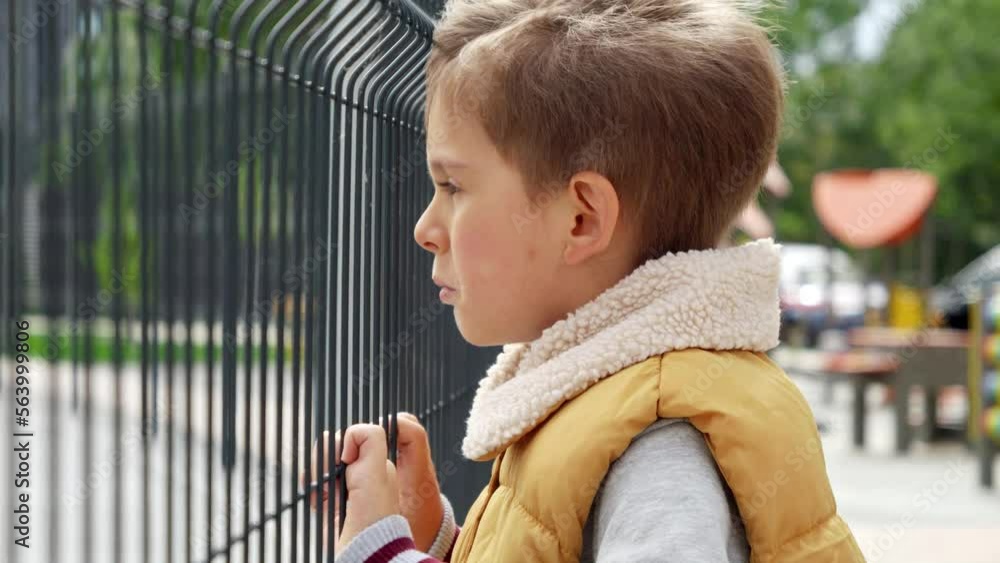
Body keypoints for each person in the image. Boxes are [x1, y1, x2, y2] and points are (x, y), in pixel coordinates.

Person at [309, 0, 866, 560]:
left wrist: (381, 555)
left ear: (581, 219)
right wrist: (429, 531)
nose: (425, 228)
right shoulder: (620, 397)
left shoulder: (662, 442)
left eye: (453, 186)